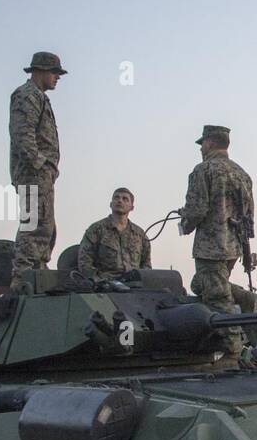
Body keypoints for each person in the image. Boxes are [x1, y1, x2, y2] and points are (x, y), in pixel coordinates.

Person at [179, 125, 257, 352]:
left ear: (210, 143)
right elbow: (249, 214)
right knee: (202, 284)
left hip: (210, 247)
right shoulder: (242, 174)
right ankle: (244, 297)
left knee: (218, 300)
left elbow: (197, 210)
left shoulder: (203, 170)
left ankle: (232, 350)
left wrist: (185, 221)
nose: (201, 149)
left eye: (202, 144)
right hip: (234, 245)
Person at [9, 51, 66, 293]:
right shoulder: (27, 95)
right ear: (41, 71)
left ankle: (38, 274)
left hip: (42, 174)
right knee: (34, 224)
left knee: (45, 227)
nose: (57, 78)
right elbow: (23, 134)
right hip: (34, 174)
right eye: (54, 72)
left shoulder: (39, 97)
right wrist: (40, 164)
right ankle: (22, 278)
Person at [77, 187, 151, 281]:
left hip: (134, 287)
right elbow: (85, 262)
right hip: (105, 286)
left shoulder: (140, 235)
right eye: (116, 198)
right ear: (111, 204)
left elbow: (146, 265)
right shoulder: (96, 230)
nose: (120, 200)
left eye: (125, 199)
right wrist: (98, 281)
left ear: (132, 207)